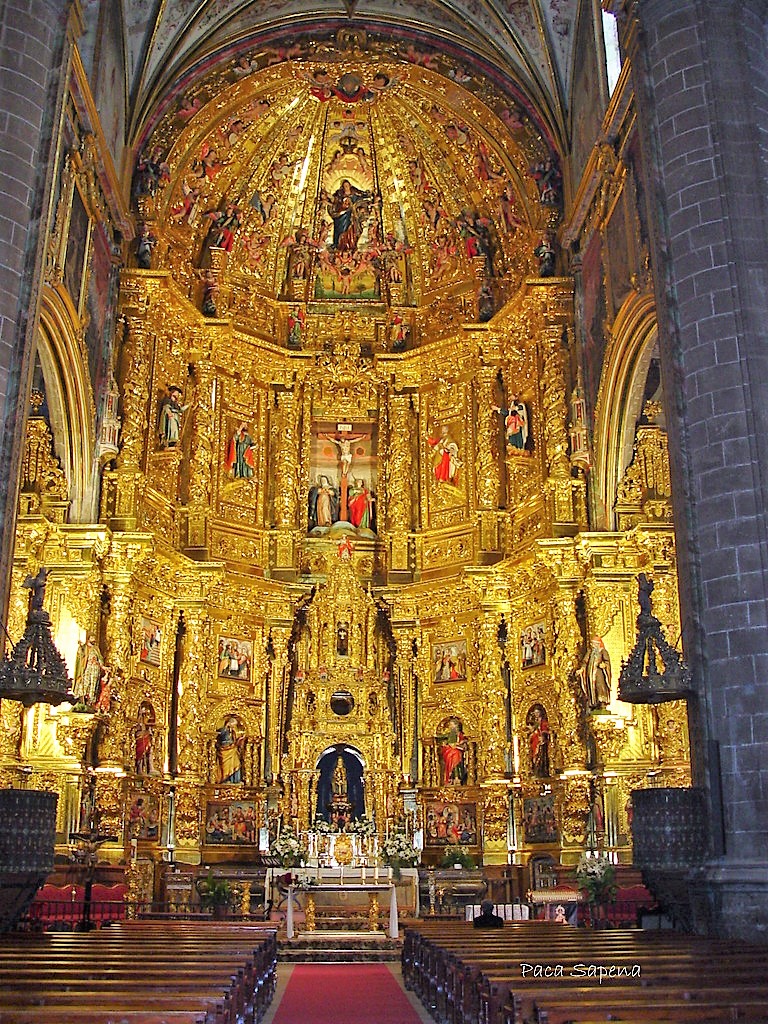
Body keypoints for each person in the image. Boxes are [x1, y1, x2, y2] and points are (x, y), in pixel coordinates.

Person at [578, 636, 612, 709]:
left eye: (593, 644)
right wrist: (582, 669)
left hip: (599, 673)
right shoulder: (590, 652)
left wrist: (604, 665)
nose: (592, 645)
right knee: (592, 688)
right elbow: (585, 662)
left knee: (600, 686)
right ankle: (594, 703)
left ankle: (602, 702)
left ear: (597, 644)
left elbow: (607, 661)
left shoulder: (602, 651)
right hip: (590, 674)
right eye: (591, 644)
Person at [216, 715, 245, 784]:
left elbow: (234, 741)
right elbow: (220, 738)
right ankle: (225, 779)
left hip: (233, 750)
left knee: (236, 763)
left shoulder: (233, 732)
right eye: (232, 725)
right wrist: (226, 728)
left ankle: (235, 780)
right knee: (226, 766)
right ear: (228, 723)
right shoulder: (223, 730)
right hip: (224, 750)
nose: (233, 727)